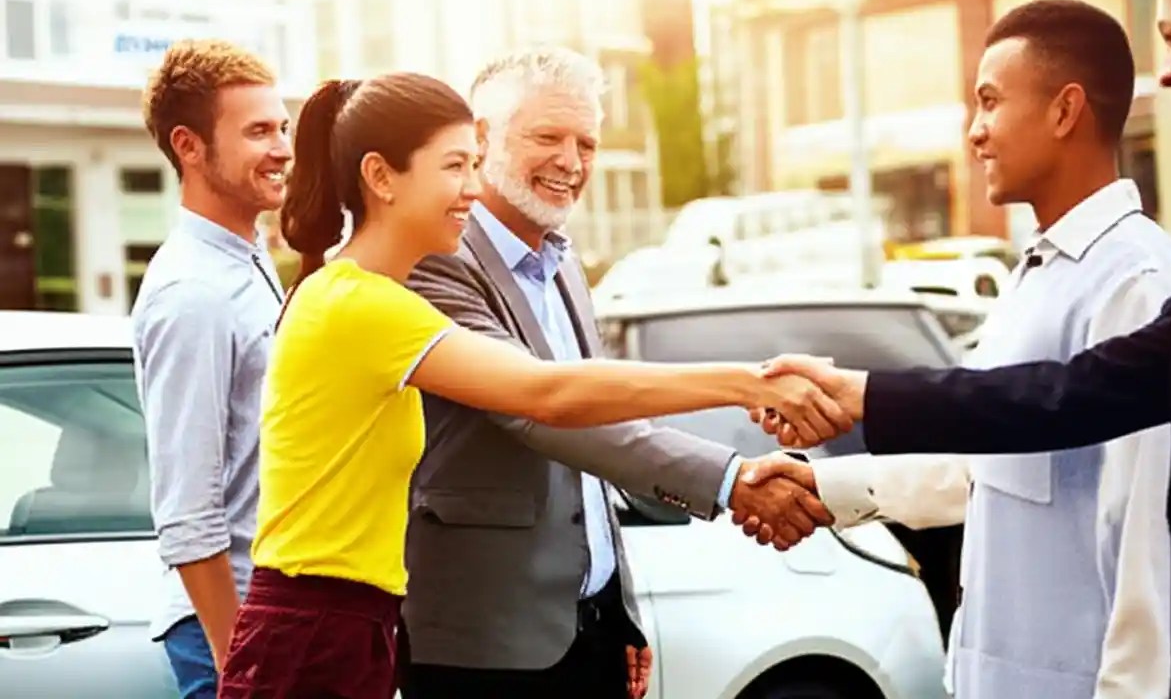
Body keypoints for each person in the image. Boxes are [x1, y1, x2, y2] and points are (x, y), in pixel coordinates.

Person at [215, 72, 844, 699]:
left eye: (475, 165)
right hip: (317, 630)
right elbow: (548, 396)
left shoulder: (372, 298)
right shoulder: (361, 305)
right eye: (455, 167)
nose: (471, 189)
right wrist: (747, 384)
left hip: (350, 624)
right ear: (381, 178)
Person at [752, 0, 1171, 697]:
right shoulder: (1036, 273)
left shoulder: (1136, 277)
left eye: (991, 100)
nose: (973, 130)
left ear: (1065, 109)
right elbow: (987, 464)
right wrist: (824, 486)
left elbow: (1145, 544)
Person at [396, 47, 827, 699]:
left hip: (587, 629)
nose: (571, 162)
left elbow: (599, 442)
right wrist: (733, 475)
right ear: (479, 138)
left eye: (587, 143)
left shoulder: (562, 262)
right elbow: (546, 413)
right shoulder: (437, 260)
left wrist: (620, 609)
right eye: (547, 137)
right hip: (484, 646)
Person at [131, 39, 291, 698]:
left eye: (282, 127)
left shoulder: (244, 260)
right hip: (233, 624)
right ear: (189, 146)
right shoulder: (192, 293)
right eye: (258, 131)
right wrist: (240, 665)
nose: (282, 147)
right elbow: (187, 510)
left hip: (270, 613)